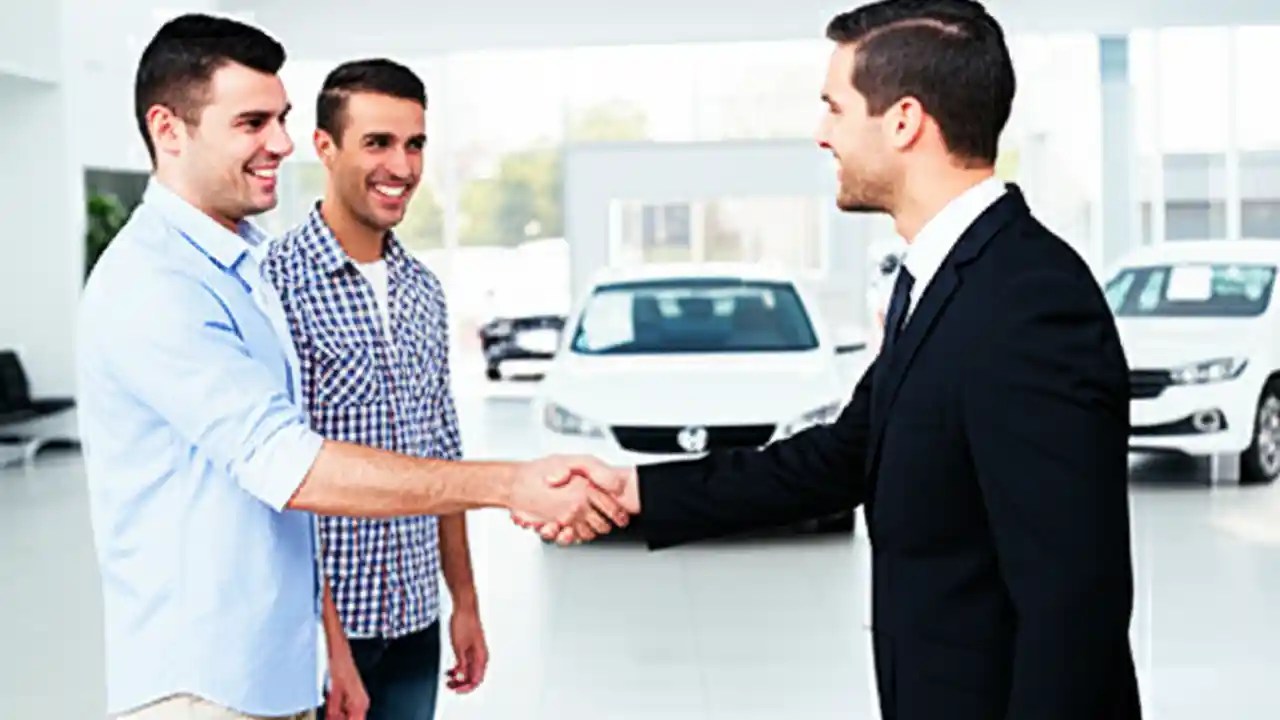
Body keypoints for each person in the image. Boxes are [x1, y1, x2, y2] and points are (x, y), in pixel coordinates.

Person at [527, 2, 1142, 718]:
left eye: (835, 107)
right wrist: (632, 490)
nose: (822, 134)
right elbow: (842, 458)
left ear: (904, 122)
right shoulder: (941, 280)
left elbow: (1075, 604)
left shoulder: (1028, 299)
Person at [78, 14, 626, 720]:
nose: (279, 143)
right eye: (252, 123)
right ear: (169, 130)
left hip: (278, 663)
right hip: (204, 681)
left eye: (279, 119)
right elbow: (290, 465)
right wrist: (512, 483)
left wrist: (462, 596)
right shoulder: (157, 283)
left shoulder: (245, 269)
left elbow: (435, 441)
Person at [262, 59, 484, 720]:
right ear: (324, 147)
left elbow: (443, 459)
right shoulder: (274, 284)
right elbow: (281, 481)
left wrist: (464, 601)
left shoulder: (423, 292)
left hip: (415, 615)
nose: (402, 166)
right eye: (378, 143)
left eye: (414, 144)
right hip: (321, 631)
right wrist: (330, 646)